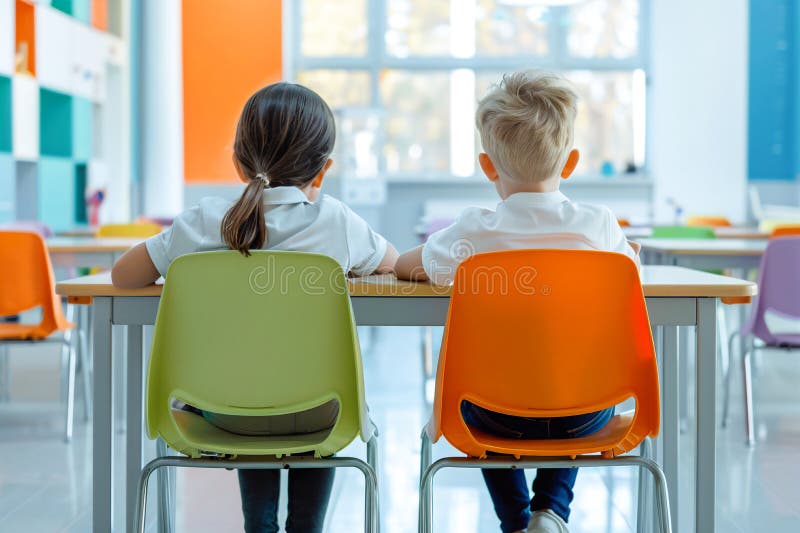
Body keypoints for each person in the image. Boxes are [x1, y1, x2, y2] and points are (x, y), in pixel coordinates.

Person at [112, 82, 398, 533]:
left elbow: (123, 276)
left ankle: (258, 527)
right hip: (320, 411)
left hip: (225, 411)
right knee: (306, 398)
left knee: (253, 393)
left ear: (239, 162)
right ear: (322, 171)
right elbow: (395, 264)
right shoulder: (338, 224)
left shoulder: (203, 222)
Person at [395, 70, 639, 533]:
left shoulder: (473, 233)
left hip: (495, 414)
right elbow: (629, 277)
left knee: (472, 397)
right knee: (574, 384)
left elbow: (411, 265)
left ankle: (516, 520)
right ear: (569, 163)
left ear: (488, 166)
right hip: (580, 413)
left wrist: (409, 259)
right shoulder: (598, 227)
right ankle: (551, 510)